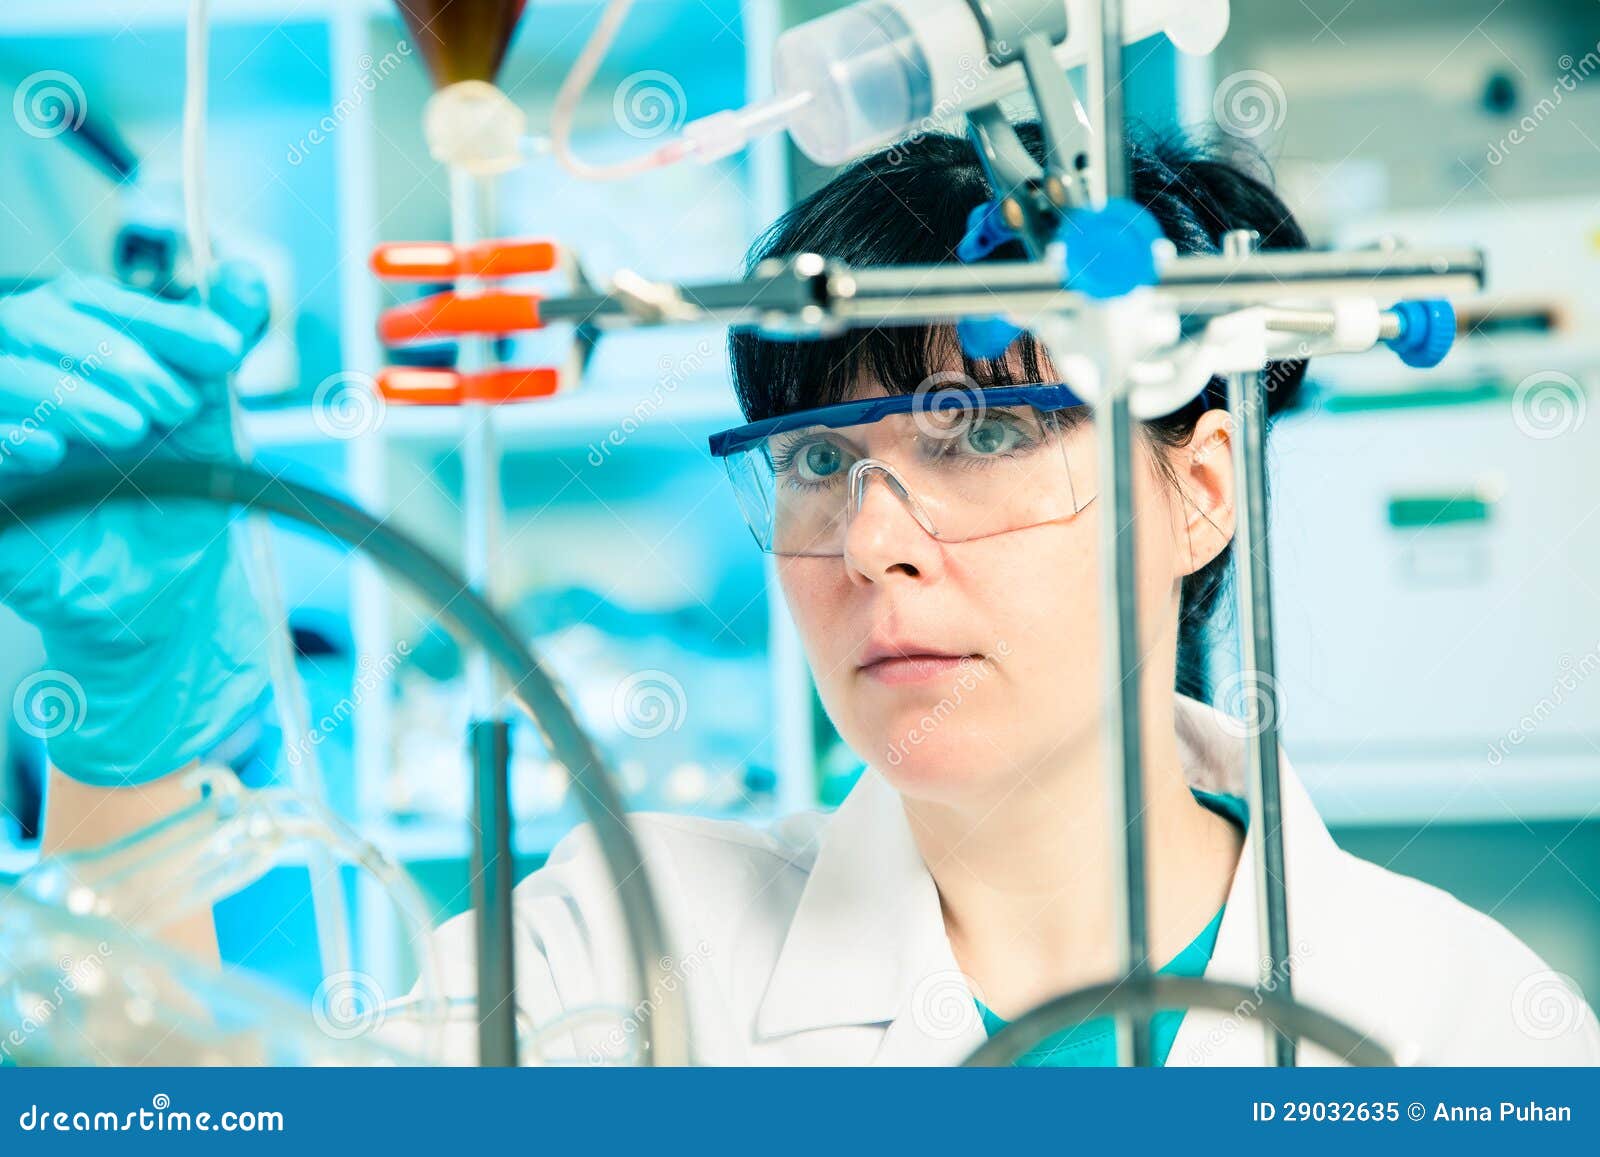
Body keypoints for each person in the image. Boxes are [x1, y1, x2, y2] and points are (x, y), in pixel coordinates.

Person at [9, 127, 1599, 1066]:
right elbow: (192, 1115)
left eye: (980, 434)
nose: (873, 543)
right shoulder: (617, 967)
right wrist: (129, 729)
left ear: (1197, 487)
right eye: (819, 459)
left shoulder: (1471, 1024)